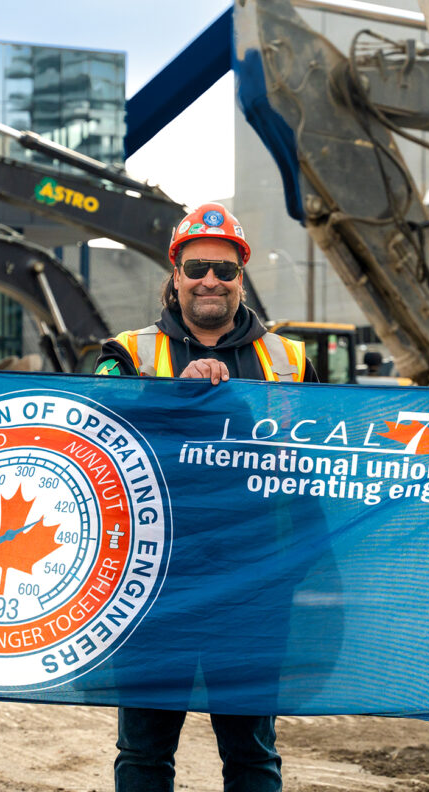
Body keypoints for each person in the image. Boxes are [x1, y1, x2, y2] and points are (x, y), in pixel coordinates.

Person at [96, 202, 317, 792]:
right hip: (150, 587)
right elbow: (92, 433)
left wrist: (302, 567)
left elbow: (322, 468)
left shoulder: (290, 361)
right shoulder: (126, 354)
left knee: (252, 755)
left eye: (224, 268)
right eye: (196, 268)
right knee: (143, 752)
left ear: (241, 275)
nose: (210, 281)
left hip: (253, 589)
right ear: (175, 274)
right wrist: (172, 398)